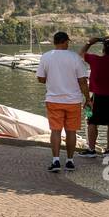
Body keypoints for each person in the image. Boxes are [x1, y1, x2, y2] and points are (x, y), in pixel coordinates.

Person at [36, 31, 90, 172]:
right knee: (71, 132)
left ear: (54, 42)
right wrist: (88, 99)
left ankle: (55, 161)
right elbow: (83, 81)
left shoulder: (46, 57)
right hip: (73, 101)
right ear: (65, 42)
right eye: (68, 42)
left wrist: (52, 79)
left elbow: (40, 79)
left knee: (56, 131)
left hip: (53, 100)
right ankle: (70, 161)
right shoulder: (75, 58)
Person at [80, 36, 109, 157]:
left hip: (97, 97)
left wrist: (90, 42)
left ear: (103, 50)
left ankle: (91, 150)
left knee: (91, 122)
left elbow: (81, 53)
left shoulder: (95, 60)